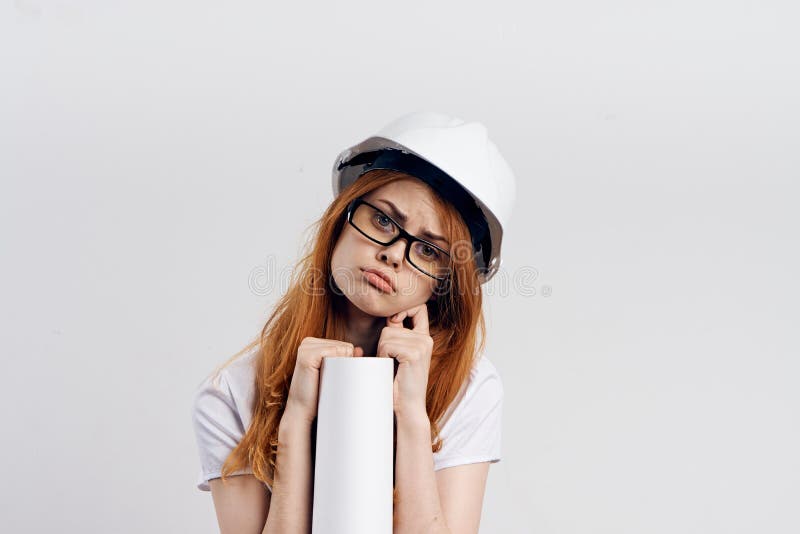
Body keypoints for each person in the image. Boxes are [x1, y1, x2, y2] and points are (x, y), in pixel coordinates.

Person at [191, 111, 517, 533]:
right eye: (383, 220)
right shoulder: (231, 394)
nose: (394, 254)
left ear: (444, 284)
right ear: (342, 219)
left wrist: (412, 416)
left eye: (429, 250)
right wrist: (295, 423)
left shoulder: (469, 387)